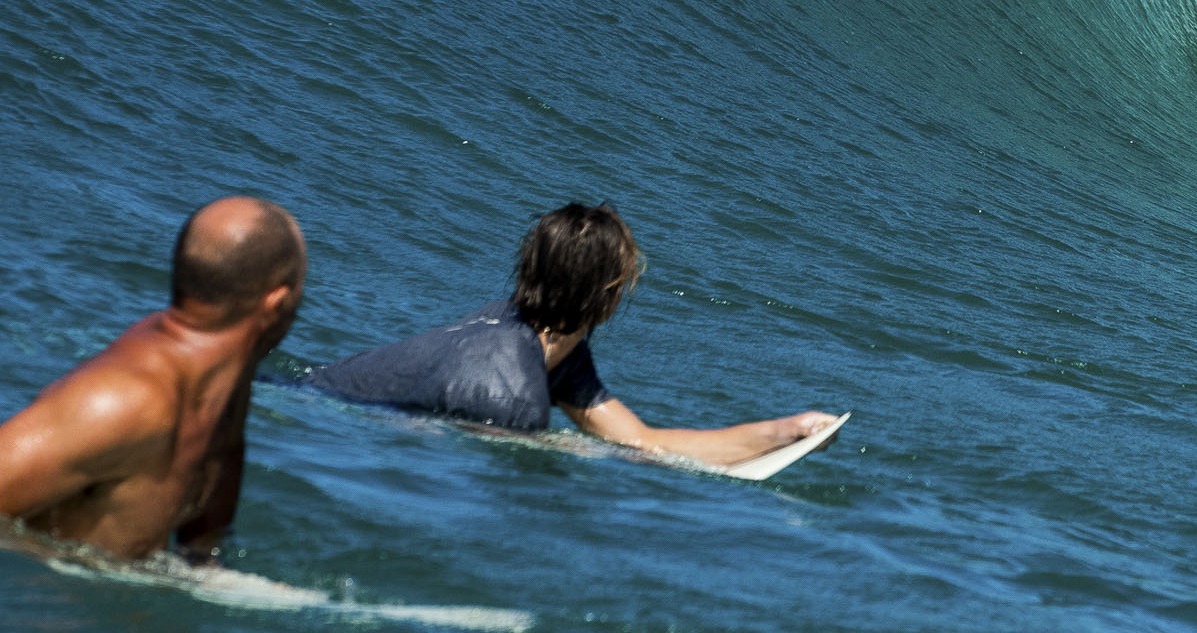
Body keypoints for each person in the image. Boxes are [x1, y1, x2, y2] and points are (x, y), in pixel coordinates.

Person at [307, 203, 834, 468]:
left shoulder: (544, 344)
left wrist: (782, 431)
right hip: (311, 421)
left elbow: (640, 441)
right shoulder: (509, 385)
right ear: (605, 296)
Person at [0, 196, 308, 561]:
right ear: (276, 305)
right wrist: (72, 565)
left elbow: (201, 547)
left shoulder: (226, 384)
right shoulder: (123, 402)